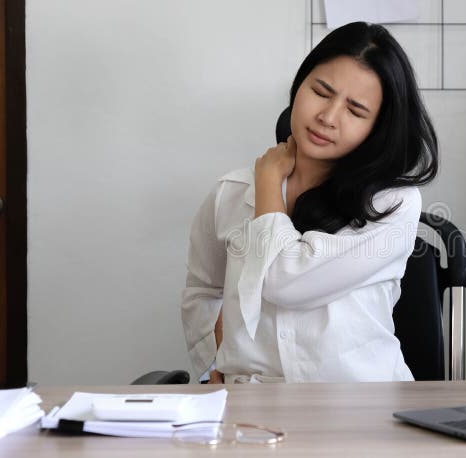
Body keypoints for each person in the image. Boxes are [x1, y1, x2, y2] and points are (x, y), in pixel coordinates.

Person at [181, 22, 438, 383]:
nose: (328, 117)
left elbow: (285, 281)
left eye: (355, 110)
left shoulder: (392, 205)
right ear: (299, 86)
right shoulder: (232, 192)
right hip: (252, 409)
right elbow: (202, 290)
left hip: (363, 410)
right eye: (321, 91)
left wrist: (269, 182)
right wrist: (214, 364)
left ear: (377, 128)